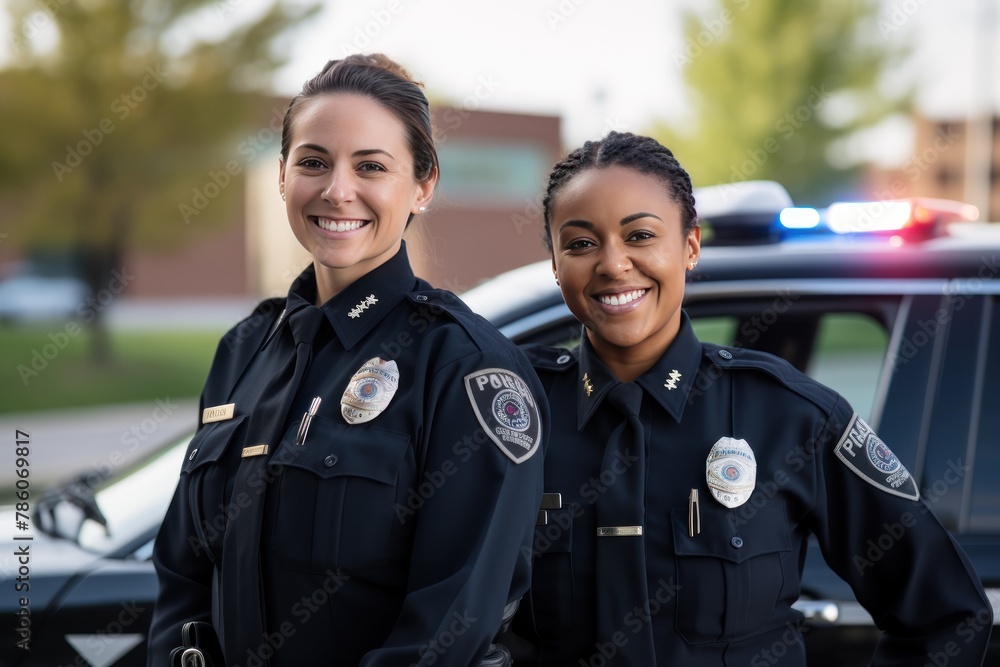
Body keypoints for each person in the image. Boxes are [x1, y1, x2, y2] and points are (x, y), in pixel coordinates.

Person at [514, 131, 992, 665]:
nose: (613, 264)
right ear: (555, 262)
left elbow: (947, 616)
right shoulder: (511, 419)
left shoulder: (792, 417)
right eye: (581, 243)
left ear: (690, 245)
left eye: (641, 235)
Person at [148, 54, 546, 667]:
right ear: (282, 174)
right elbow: (182, 578)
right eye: (313, 162)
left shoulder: (464, 370)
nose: (338, 190)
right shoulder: (243, 350)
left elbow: (446, 634)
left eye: (371, 167)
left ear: (423, 186)